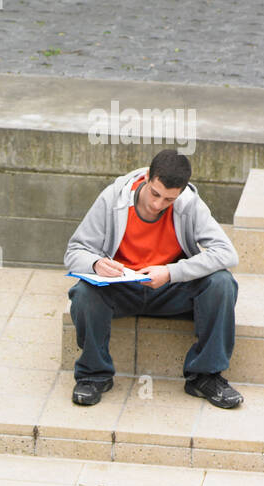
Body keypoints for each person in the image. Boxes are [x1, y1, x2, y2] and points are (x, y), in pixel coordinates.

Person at [65, 148, 243, 409]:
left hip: (170, 289)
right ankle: (94, 375)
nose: (158, 204)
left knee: (222, 283)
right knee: (83, 293)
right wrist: (95, 263)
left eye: (169, 199)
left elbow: (227, 254)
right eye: (155, 193)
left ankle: (205, 377)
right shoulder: (112, 198)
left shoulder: (190, 204)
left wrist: (172, 272)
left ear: (180, 192)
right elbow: (74, 252)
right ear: (147, 177)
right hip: (121, 289)